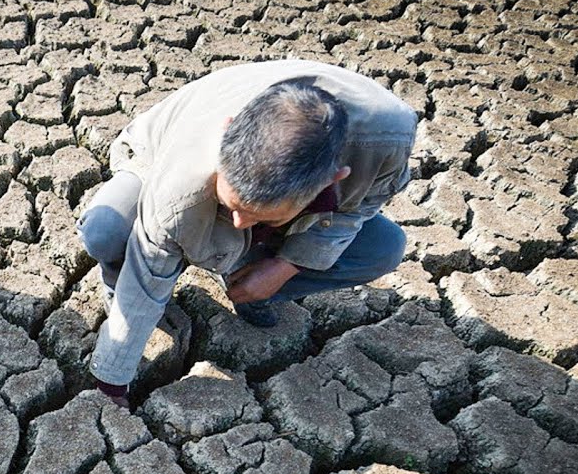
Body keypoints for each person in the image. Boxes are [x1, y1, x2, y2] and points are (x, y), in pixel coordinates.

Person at [77, 59, 417, 407]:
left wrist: (287, 265)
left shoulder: (386, 140)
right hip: (158, 154)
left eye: (260, 216)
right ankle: (126, 281)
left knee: (384, 248)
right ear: (227, 134)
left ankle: (249, 278)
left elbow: (359, 207)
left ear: (331, 181)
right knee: (106, 231)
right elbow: (147, 277)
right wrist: (112, 385)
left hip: (311, 189)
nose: (239, 222)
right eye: (231, 206)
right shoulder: (179, 185)